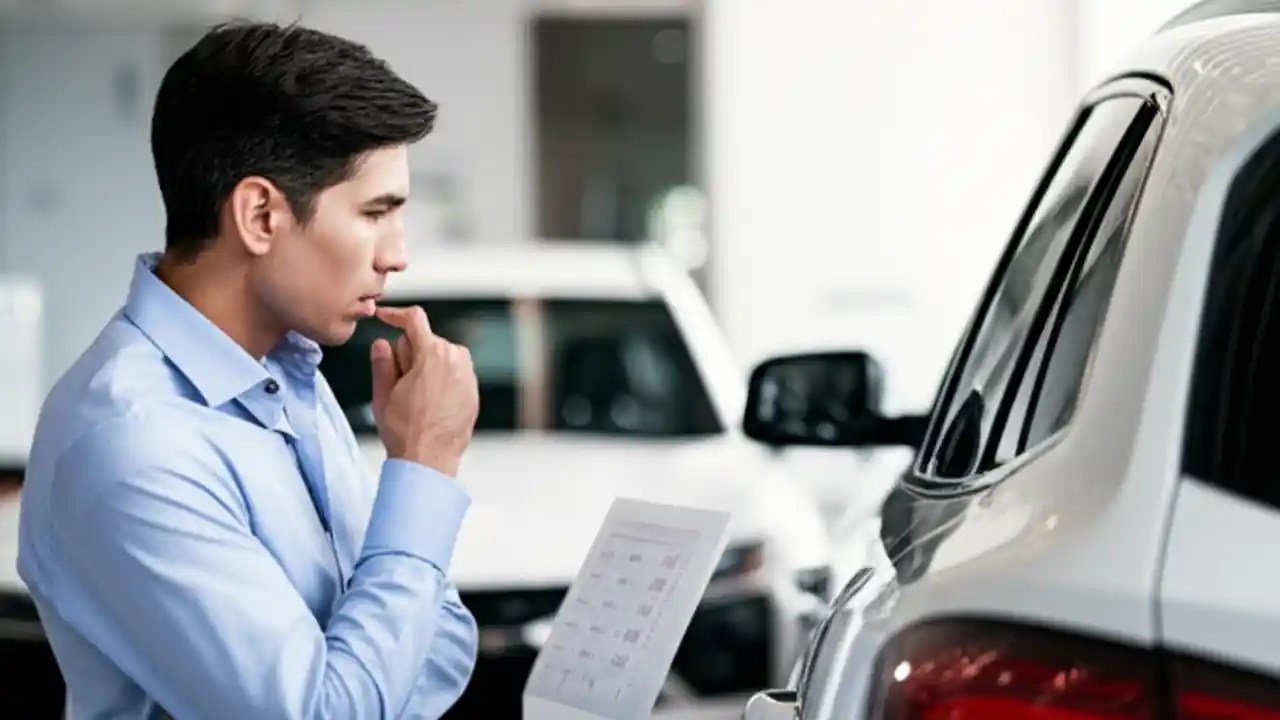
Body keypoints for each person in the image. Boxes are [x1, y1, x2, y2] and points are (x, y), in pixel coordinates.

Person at [16, 21, 480, 720]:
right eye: (375, 214)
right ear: (260, 214)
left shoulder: (292, 383)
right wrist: (421, 472)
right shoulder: (132, 444)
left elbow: (438, 657)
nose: (397, 255)